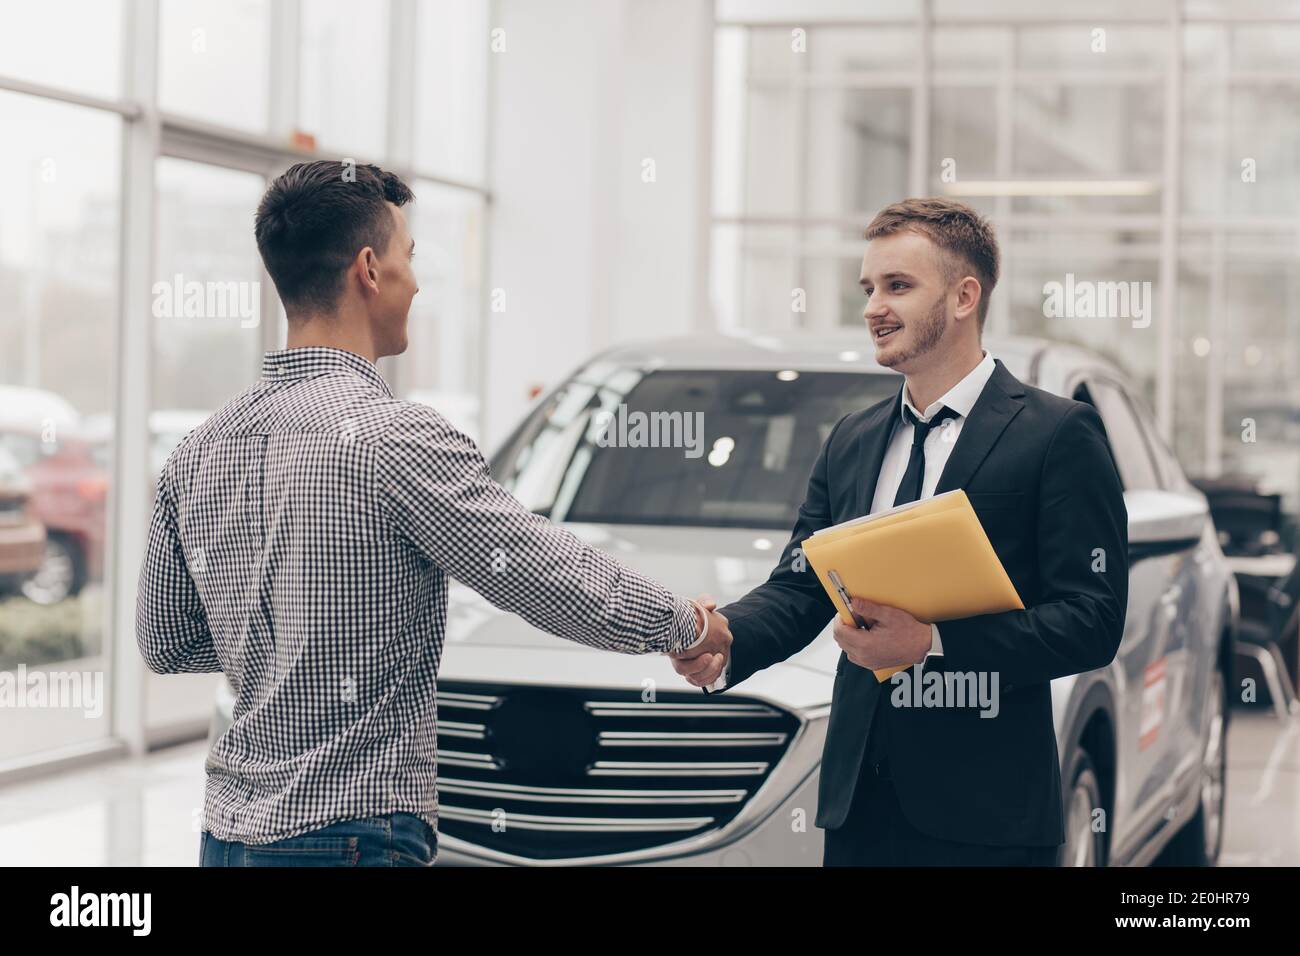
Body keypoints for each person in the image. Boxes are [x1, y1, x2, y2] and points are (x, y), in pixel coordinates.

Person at [134, 160, 732, 867]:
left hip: (227, 835)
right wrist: (688, 624)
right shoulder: (396, 439)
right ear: (369, 270)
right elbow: (542, 572)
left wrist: (285, 644)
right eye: (408, 258)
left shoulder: (199, 448)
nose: (416, 282)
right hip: (346, 832)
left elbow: (166, 642)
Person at [671, 196, 1128, 866]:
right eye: (868, 288)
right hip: (859, 805)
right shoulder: (853, 440)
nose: (873, 307)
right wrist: (728, 637)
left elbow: (1093, 619)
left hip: (986, 814)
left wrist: (934, 643)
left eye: (898, 286)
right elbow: (801, 586)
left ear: (965, 295)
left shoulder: (1058, 434)